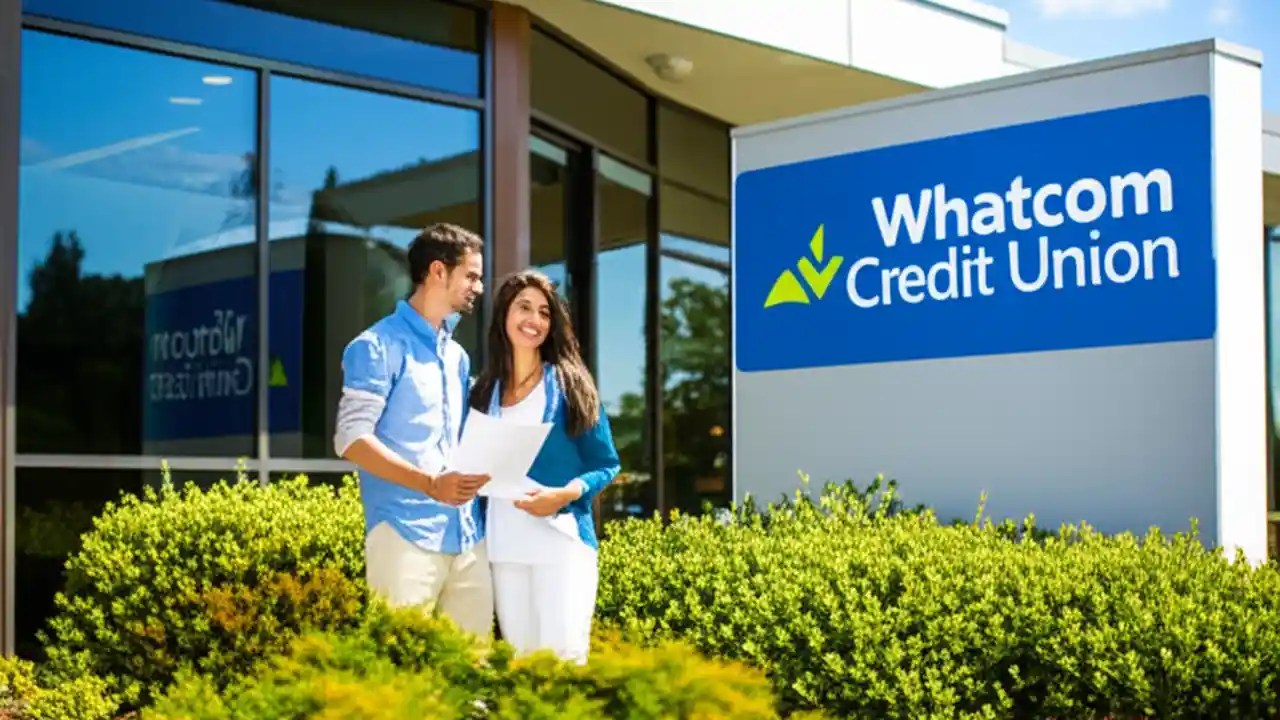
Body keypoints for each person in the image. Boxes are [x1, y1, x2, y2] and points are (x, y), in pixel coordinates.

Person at [333, 223, 493, 638]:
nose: (479, 285)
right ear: (438, 271)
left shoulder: (456, 356)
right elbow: (351, 438)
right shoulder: (375, 346)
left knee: (472, 673)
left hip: (467, 534)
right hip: (404, 533)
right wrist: (429, 483)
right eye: (472, 275)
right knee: (402, 670)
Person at [469, 269, 621, 664]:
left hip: (562, 543)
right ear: (504, 314)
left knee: (564, 662)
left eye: (544, 313)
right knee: (522, 666)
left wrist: (565, 494)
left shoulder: (571, 384)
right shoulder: (485, 391)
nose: (533, 321)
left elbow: (606, 463)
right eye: (524, 308)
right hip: (505, 546)